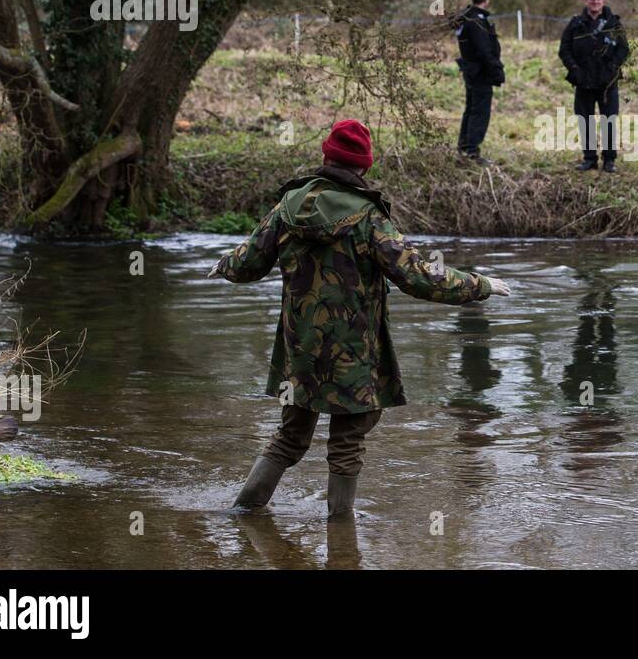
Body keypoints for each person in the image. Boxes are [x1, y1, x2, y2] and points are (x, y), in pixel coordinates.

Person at [208, 119, 511, 518]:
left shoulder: (287, 206)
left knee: (289, 438)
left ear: (326, 156)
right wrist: (480, 285)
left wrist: (223, 265)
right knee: (347, 444)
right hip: (353, 352)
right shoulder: (368, 216)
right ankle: (341, 536)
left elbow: (248, 263)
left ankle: (241, 514)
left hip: (300, 351)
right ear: (363, 167)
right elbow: (419, 277)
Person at [559, 0, 630, 172]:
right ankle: (589, 159)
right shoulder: (575, 24)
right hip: (583, 82)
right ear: (587, 1)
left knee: (609, 121)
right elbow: (564, 50)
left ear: (603, 0)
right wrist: (574, 69)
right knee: (585, 120)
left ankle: (609, 160)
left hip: (608, 83)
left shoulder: (614, 24)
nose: (595, 2)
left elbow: (624, 49)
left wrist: (612, 68)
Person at [455, 0, 504, 165]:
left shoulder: (466, 17)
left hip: (471, 70)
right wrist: (496, 70)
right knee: (479, 111)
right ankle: (472, 151)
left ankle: (464, 147)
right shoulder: (477, 21)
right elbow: (484, 50)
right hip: (480, 72)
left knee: (471, 108)